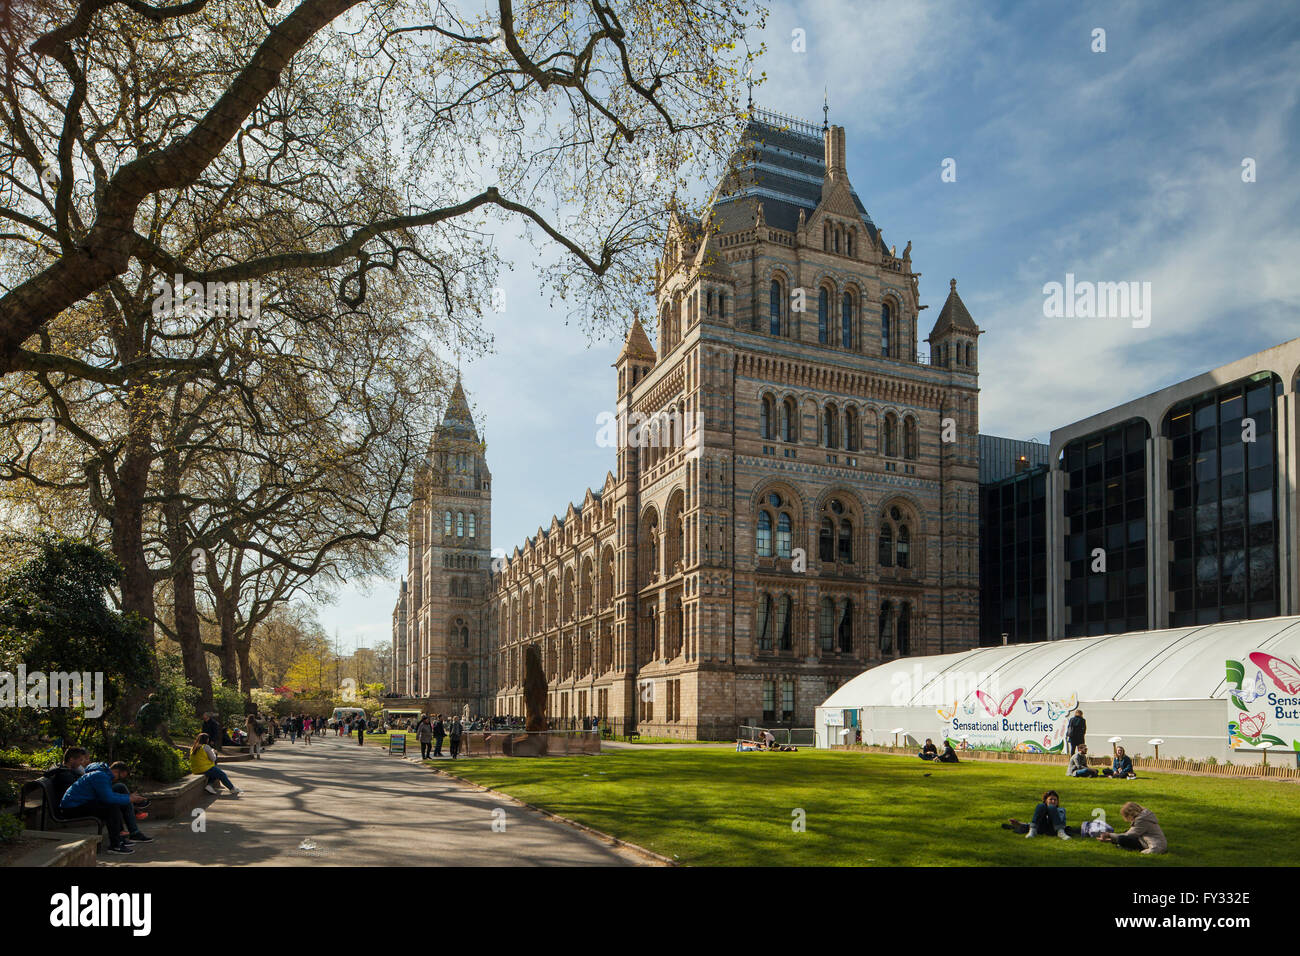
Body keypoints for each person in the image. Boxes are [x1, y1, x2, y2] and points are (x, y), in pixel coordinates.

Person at [60, 760, 149, 854]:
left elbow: (107, 795)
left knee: (119, 789)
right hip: (72, 808)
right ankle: (115, 845)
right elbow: (108, 798)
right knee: (111, 806)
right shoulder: (100, 776)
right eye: (119, 777)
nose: (117, 780)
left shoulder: (102, 773)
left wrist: (129, 798)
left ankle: (125, 834)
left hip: (82, 802)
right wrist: (129, 798)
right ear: (116, 771)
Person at [1099, 802, 1167, 854]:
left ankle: (1126, 847)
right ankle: (1122, 845)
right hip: (1147, 840)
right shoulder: (1145, 816)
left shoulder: (1142, 820)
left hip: (1154, 845)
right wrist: (1111, 839)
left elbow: (1130, 834)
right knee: (1124, 834)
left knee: (1121, 839)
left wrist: (1109, 835)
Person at [1005, 790, 1072, 839]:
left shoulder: (1060, 810)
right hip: (1041, 828)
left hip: (1053, 829)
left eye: (1055, 800)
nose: (1053, 801)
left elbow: (1062, 821)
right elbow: (1035, 821)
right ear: (1046, 800)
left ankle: (1060, 832)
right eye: (1051, 799)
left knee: (1051, 807)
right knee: (1040, 806)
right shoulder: (1042, 809)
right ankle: (1032, 831)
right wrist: (1019, 823)